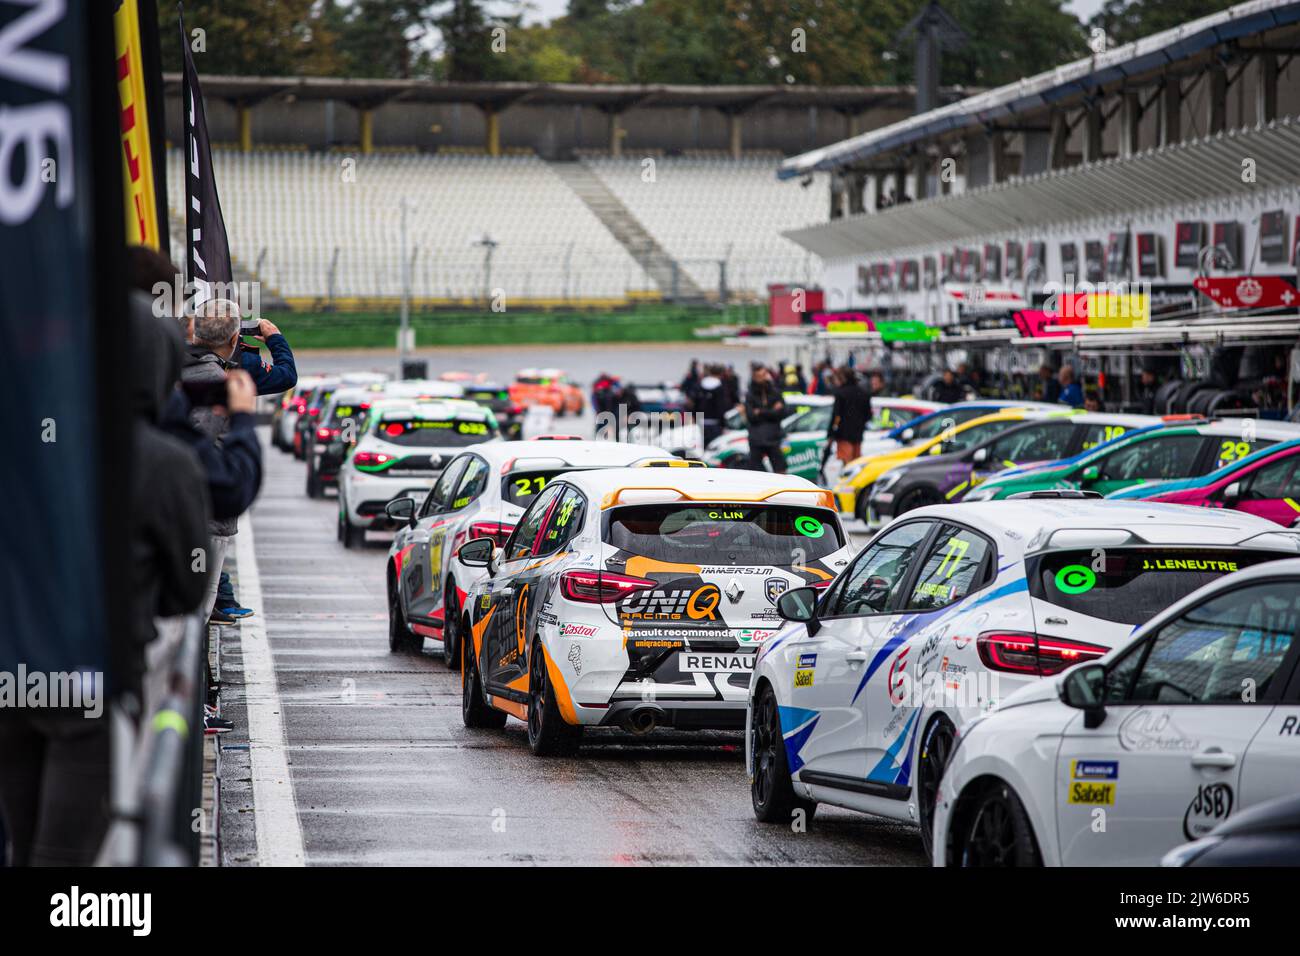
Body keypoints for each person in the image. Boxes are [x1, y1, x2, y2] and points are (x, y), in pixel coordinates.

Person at [744, 365, 787, 473]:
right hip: (756, 439)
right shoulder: (750, 395)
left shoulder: (775, 392)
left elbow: (781, 413)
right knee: (755, 472)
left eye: (764, 375)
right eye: (759, 376)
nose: (762, 378)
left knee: (781, 470)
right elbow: (751, 416)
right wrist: (771, 411)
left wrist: (760, 411)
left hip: (773, 437)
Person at [828, 367, 873, 464]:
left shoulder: (841, 394)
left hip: (843, 435)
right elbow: (868, 415)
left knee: (846, 464)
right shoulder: (864, 393)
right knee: (855, 464)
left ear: (842, 378)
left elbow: (836, 416)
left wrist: (831, 433)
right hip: (858, 434)